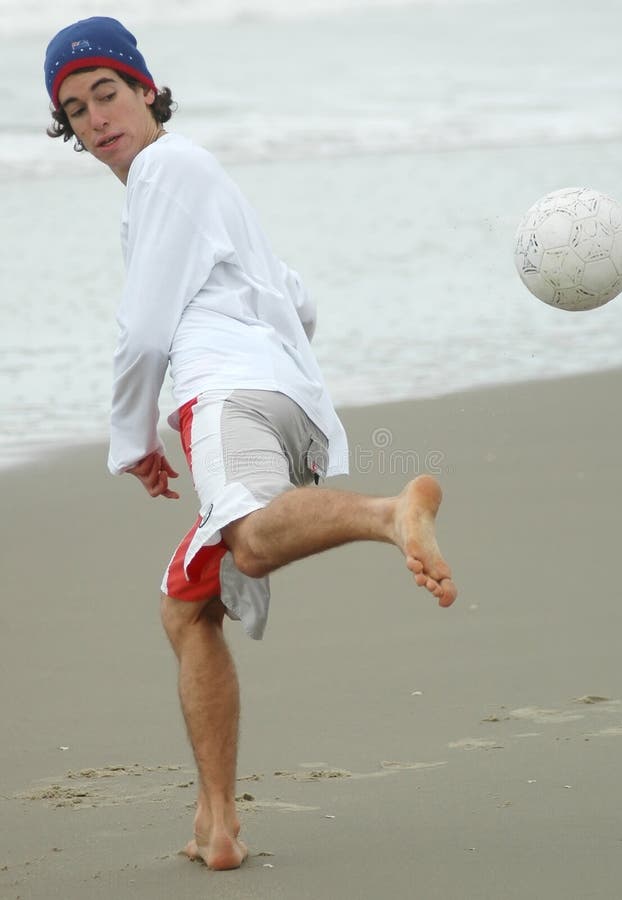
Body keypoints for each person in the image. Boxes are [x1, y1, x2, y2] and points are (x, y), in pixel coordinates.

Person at [45, 17, 458, 872]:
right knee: (186, 604)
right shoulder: (202, 179)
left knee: (252, 541)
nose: (95, 119)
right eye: (75, 110)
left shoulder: (162, 169)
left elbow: (144, 331)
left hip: (226, 392)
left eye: (107, 93)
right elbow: (297, 299)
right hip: (288, 400)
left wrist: (132, 438)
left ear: (147, 87)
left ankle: (389, 514)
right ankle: (219, 824)